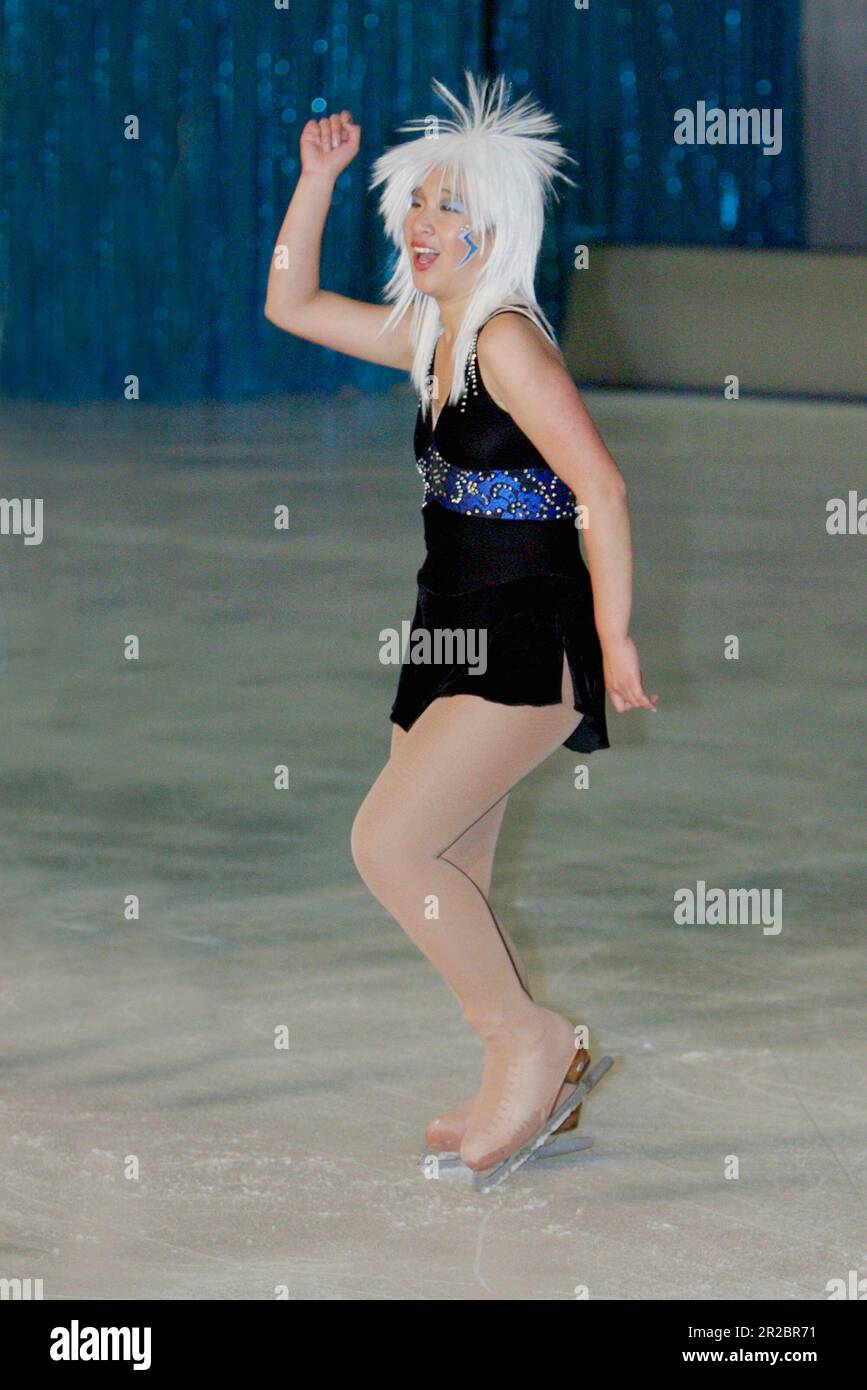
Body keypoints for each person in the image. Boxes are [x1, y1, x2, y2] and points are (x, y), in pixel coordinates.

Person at [265, 72, 657, 1175]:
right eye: (416, 204)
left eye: (447, 205)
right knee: (452, 864)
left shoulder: (505, 347)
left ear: (501, 224)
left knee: (389, 844)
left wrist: (616, 637)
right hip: (448, 624)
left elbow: (603, 490)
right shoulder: (433, 336)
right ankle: (533, 1075)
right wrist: (319, 182)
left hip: (530, 633)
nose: (422, 224)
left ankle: (527, 1038)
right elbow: (290, 306)